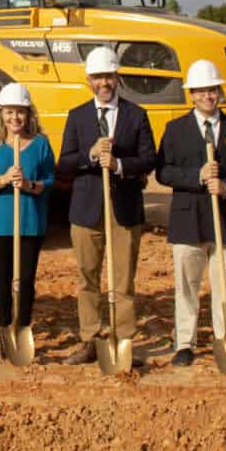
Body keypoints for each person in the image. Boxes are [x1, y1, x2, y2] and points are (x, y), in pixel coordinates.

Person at [155, 59, 226, 367]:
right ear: (191, 94)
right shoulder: (175, 129)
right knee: (187, 287)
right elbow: (163, 172)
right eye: (201, 91)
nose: (207, 96)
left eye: (212, 90)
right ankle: (185, 343)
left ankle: (224, 338)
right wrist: (197, 176)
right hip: (188, 221)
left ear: (219, 91)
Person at [56, 46, 158, 365]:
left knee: (123, 280)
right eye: (98, 77)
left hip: (124, 209)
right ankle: (90, 339)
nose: (104, 82)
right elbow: (64, 164)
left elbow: (149, 159)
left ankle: (122, 341)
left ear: (117, 78)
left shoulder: (136, 115)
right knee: (87, 277)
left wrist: (118, 165)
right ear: (89, 80)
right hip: (86, 211)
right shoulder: (77, 116)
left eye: (109, 76)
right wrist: (89, 155)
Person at [0, 82, 56, 358]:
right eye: (9, 112)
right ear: (1, 113)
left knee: (26, 280)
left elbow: (50, 180)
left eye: (20, 111)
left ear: (29, 113)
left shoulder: (41, 145)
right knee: (3, 279)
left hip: (30, 223)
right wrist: (3, 179)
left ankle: (22, 326)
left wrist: (30, 184)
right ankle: (4, 329)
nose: (15, 118)